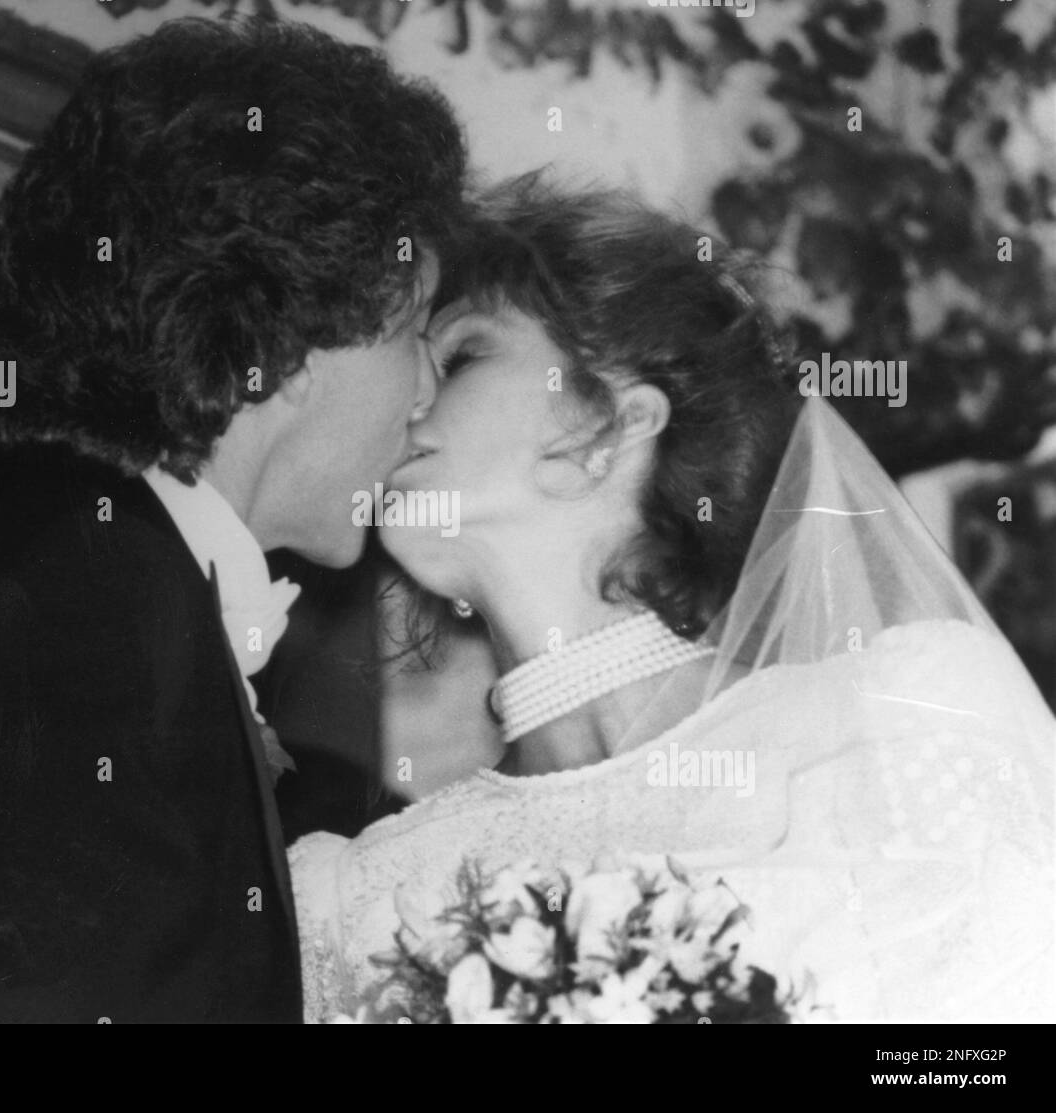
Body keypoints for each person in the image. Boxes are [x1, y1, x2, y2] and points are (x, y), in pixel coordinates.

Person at [0, 16, 467, 1023]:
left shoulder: (78, 574)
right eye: (413, 331)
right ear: (281, 338)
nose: (426, 391)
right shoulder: (89, 616)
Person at [290, 174, 1055, 1023]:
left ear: (607, 425)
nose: (411, 397)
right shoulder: (355, 899)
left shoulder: (891, 724)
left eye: (461, 356)